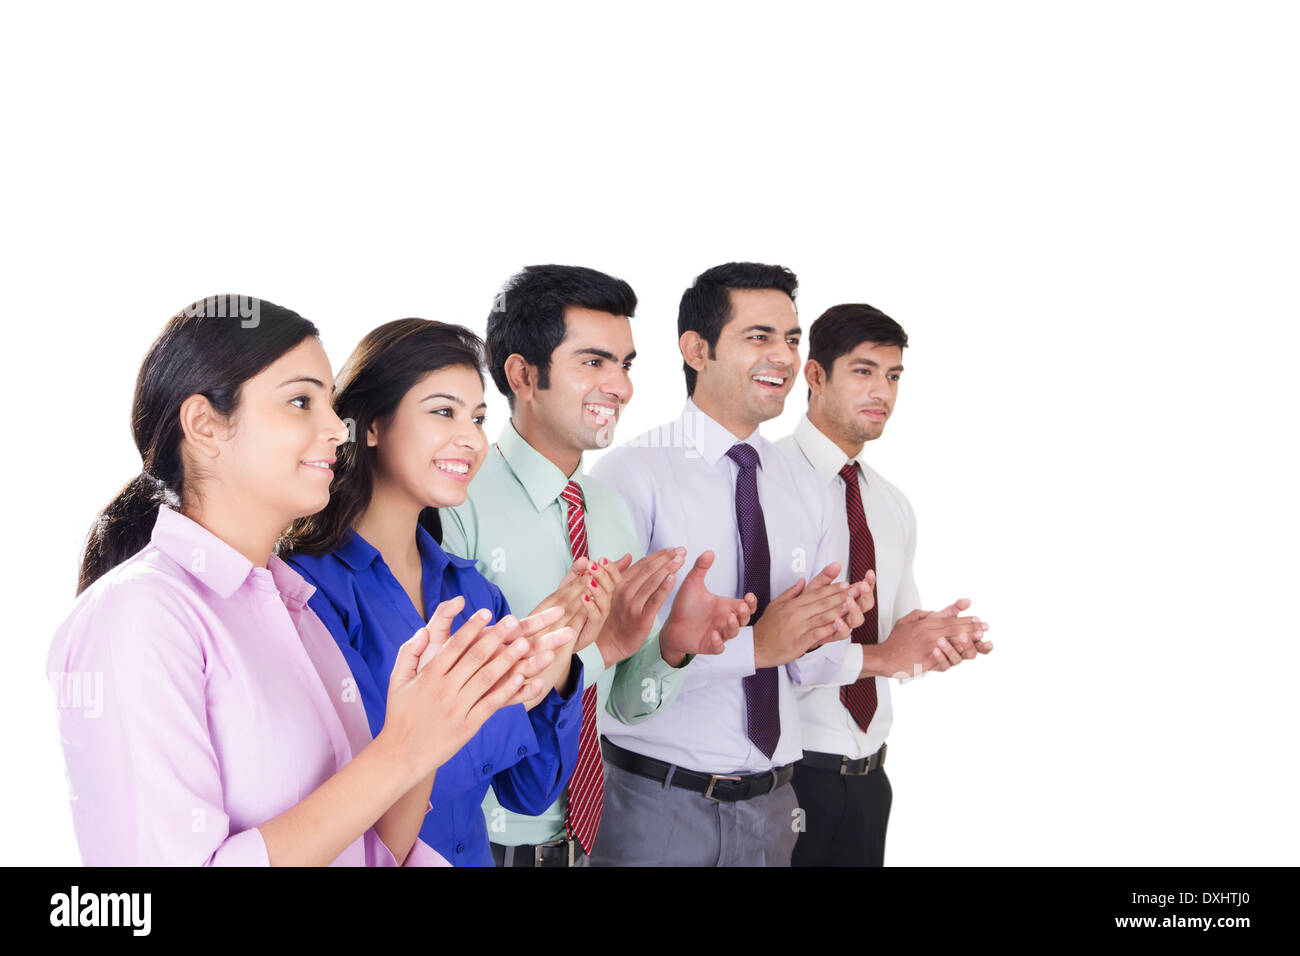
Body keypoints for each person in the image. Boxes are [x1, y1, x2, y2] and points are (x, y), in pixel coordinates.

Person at [48, 295, 570, 866]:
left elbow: (372, 852)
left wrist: (426, 736)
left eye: (329, 403)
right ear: (204, 425)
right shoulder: (139, 615)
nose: (335, 429)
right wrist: (402, 749)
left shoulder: (295, 611)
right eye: (300, 402)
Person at [441, 264, 754, 866]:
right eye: (593, 362)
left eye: (626, 364)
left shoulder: (609, 510)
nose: (621, 387)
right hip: (481, 842)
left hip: (583, 843)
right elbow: (458, 700)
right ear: (522, 375)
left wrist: (671, 649)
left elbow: (618, 703)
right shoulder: (457, 500)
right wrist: (597, 649)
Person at [588, 262, 878, 867]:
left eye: (792, 339)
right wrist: (756, 646)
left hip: (773, 809)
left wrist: (829, 625)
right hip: (657, 805)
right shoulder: (632, 476)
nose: (784, 356)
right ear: (696, 349)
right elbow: (609, 680)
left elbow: (808, 671)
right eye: (759, 337)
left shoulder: (803, 484)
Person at [282, 319, 591, 867]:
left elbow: (529, 790)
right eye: (444, 412)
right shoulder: (308, 590)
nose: (471, 439)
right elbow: (362, 788)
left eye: (477, 418)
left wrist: (557, 664)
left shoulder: (475, 594)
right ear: (372, 426)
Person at [776, 303, 992, 866]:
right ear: (815, 376)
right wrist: (885, 654)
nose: (883, 392)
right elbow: (758, 651)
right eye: (864, 371)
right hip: (783, 779)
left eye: (893, 376)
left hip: (871, 780)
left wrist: (936, 645)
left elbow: (896, 648)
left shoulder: (891, 504)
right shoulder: (762, 486)